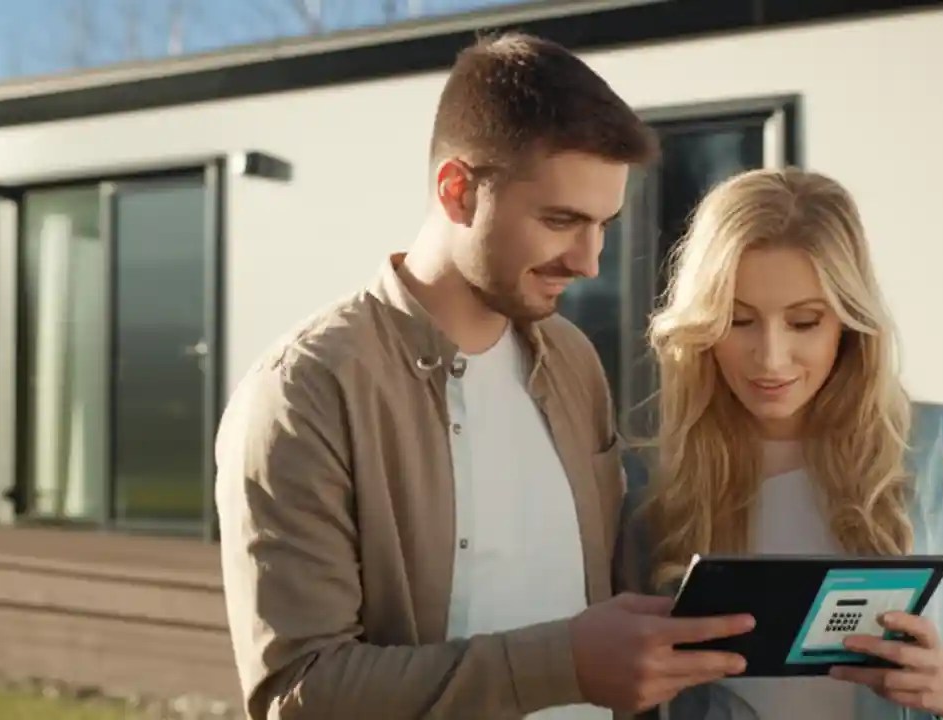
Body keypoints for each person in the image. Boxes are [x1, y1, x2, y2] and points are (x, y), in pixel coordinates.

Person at [214, 32, 754, 720]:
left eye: (604, 224)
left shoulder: (574, 360)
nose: (590, 261)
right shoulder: (306, 392)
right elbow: (299, 691)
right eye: (561, 220)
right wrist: (564, 665)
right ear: (458, 190)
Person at [618, 168, 943, 719]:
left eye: (804, 322)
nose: (771, 358)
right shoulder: (650, 478)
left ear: (849, 326)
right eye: (739, 320)